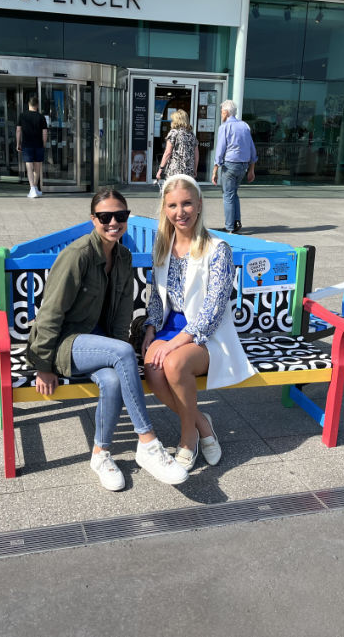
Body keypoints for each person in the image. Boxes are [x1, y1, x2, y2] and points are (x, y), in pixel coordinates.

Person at [26, 188, 188, 491]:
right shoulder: (78, 256)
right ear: (93, 219)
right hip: (64, 344)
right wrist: (43, 365)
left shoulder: (124, 257)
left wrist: (115, 354)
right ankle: (148, 443)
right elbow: (50, 313)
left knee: (113, 379)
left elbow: (122, 315)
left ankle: (100, 454)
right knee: (124, 352)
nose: (113, 222)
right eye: (105, 216)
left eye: (120, 215)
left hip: (98, 344)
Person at [142, 174, 256, 470]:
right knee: (153, 369)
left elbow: (214, 310)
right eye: (173, 205)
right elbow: (156, 298)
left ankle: (187, 439)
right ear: (165, 210)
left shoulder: (217, 249)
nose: (181, 212)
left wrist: (178, 342)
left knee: (174, 364)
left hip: (207, 334)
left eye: (187, 204)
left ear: (200, 204)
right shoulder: (162, 247)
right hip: (170, 326)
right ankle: (203, 423)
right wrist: (151, 330)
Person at [211, 100, 257, 233]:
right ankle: (236, 222)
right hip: (243, 166)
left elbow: (220, 149)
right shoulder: (245, 126)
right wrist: (251, 169)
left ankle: (229, 227)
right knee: (234, 193)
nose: (221, 114)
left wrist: (215, 169)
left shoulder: (224, 127)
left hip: (230, 165)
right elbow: (252, 148)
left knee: (228, 195)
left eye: (221, 112)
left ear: (225, 112)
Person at [16, 96, 48, 198]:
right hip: (38, 144)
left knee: (29, 166)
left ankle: (32, 189)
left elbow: (18, 130)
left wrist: (18, 143)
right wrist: (43, 144)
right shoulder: (41, 117)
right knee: (37, 167)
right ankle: (35, 188)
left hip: (27, 144)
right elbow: (44, 132)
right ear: (37, 105)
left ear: (28, 104)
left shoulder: (22, 116)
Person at [155, 109, 198, 183]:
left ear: (176, 121)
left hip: (175, 171)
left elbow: (167, 152)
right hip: (188, 172)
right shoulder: (191, 135)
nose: (171, 122)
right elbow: (196, 154)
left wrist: (160, 169)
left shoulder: (173, 133)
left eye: (172, 120)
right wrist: (195, 169)